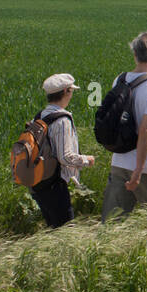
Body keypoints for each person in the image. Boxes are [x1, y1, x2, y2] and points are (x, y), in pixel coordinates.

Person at [101, 31, 147, 224]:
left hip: (120, 160)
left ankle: (107, 254)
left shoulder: (120, 79)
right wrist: (139, 170)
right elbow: (146, 129)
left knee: (112, 223)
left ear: (134, 53)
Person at [32, 73, 95, 227]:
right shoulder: (62, 120)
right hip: (55, 183)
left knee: (52, 226)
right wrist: (86, 160)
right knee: (65, 229)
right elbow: (65, 157)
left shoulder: (39, 116)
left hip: (38, 180)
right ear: (66, 91)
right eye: (71, 91)